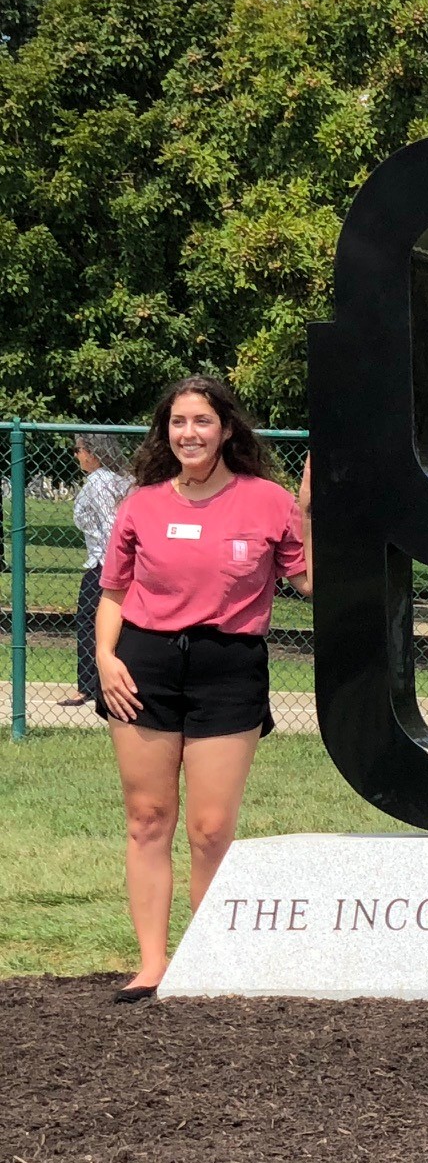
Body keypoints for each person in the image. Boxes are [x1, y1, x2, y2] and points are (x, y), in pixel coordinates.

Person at [95, 377, 312, 1002]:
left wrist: (309, 511)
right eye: (178, 422)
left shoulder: (268, 501)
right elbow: (113, 592)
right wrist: (105, 659)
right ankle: (152, 965)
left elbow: (309, 582)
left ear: (226, 431)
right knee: (147, 818)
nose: (189, 433)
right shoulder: (141, 504)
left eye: (203, 422)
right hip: (145, 666)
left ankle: (205, 960)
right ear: (166, 432)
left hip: (229, 666)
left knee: (211, 828)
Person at [60, 433, 134, 709]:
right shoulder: (123, 479)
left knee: (90, 623)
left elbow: (110, 524)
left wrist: (112, 565)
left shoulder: (99, 480)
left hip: (103, 564)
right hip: (115, 561)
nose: (76, 455)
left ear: (93, 452)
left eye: (78, 449)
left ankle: (89, 685)